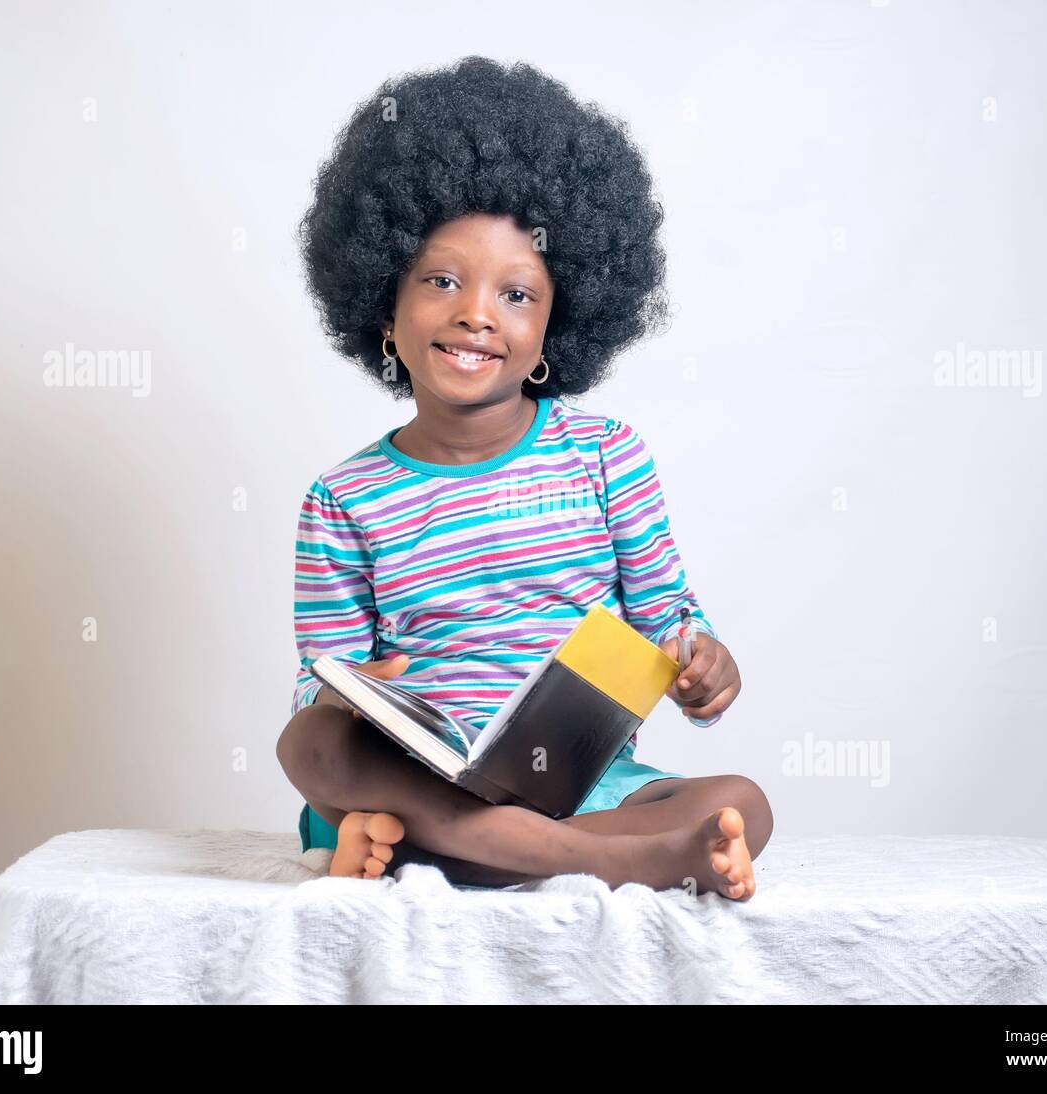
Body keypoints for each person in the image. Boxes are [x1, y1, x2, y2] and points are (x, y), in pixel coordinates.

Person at [277, 57, 772, 899]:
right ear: (383, 306)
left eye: (517, 294)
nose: (476, 312)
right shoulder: (343, 499)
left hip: (577, 787)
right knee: (307, 747)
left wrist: (704, 668)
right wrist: (352, 699)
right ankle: (614, 863)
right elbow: (319, 678)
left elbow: (671, 625)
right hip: (420, 775)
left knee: (741, 802)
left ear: (558, 330)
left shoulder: (605, 456)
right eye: (441, 280)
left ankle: (451, 855)